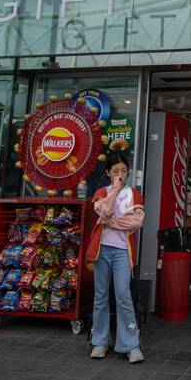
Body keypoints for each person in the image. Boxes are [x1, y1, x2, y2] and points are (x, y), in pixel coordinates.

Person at [86, 155, 146, 362]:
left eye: (123, 171)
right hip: (101, 250)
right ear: (108, 173)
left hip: (122, 251)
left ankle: (130, 344)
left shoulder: (134, 194)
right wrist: (115, 192)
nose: (119, 175)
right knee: (101, 295)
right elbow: (103, 210)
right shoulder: (102, 192)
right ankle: (99, 341)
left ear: (128, 171)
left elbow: (137, 220)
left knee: (123, 295)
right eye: (115, 171)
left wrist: (111, 223)